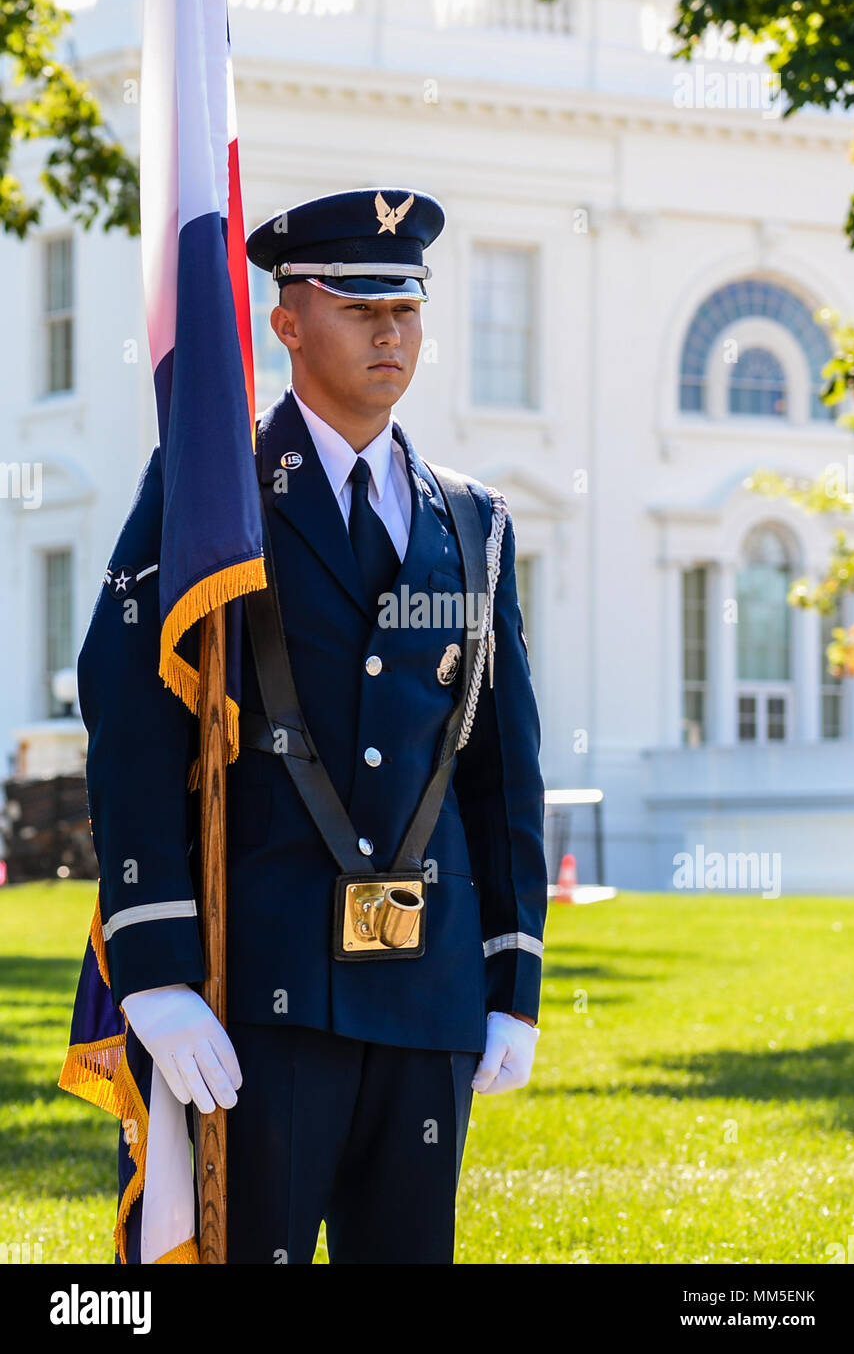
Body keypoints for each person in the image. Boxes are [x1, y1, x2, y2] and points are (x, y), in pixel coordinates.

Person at [82, 186, 548, 1264]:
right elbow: (130, 711)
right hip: (263, 993)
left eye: (407, 308)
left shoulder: (472, 520)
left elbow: (495, 763)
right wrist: (155, 968)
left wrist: (511, 974)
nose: (391, 332)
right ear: (286, 321)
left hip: (427, 994)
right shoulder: (213, 492)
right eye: (356, 304)